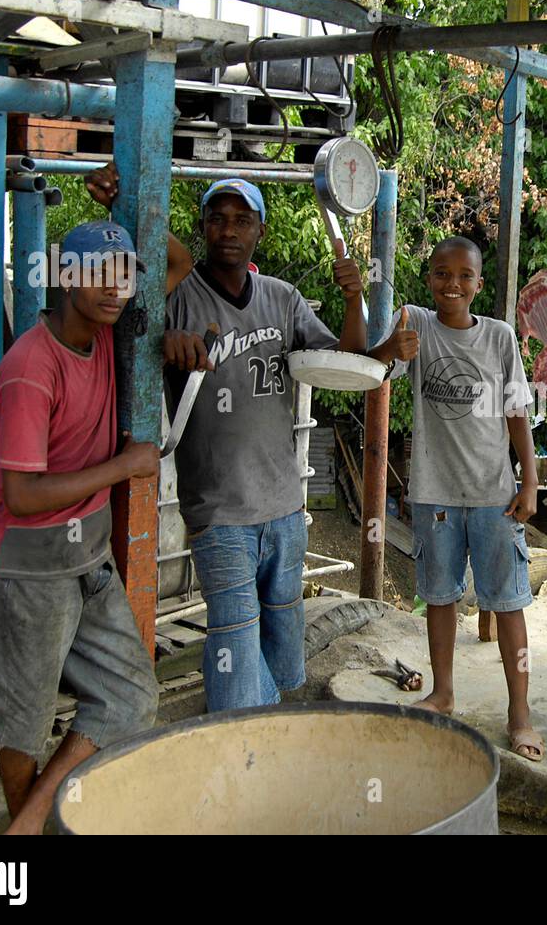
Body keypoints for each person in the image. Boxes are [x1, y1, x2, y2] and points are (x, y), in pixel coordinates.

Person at [89, 168, 369, 712]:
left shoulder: (282, 298)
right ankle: (244, 743)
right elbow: (131, 340)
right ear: (203, 228)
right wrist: (165, 343)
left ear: (261, 230)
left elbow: (347, 362)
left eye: (242, 220)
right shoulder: (176, 295)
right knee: (236, 644)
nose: (229, 230)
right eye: (217, 219)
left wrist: (354, 298)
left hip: (284, 507)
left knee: (283, 644)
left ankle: (271, 732)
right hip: (219, 513)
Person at [0, 220, 161, 834]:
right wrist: (122, 467)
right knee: (24, 729)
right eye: (99, 273)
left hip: (90, 562)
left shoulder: (106, 336)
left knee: (132, 697)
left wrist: (113, 201)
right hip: (33, 571)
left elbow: (179, 266)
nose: (116, 288)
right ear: (64, 276)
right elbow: (21, 495)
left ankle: (26, 827)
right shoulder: (30, 367)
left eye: (125, 275)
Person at [367, 236, 544, 761]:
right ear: (429, 279)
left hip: (495, 495)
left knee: (508, 602)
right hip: (435, 495)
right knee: (440, 596)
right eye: (442, 273)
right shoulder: (414, 323)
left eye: (465, 276)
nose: (453, 284)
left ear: (479, 285)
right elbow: (372, 369)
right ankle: (443, 694)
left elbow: (517, 411)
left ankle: (520, 712)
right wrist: (390, 350)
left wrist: (530, 481)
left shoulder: (500, 337)